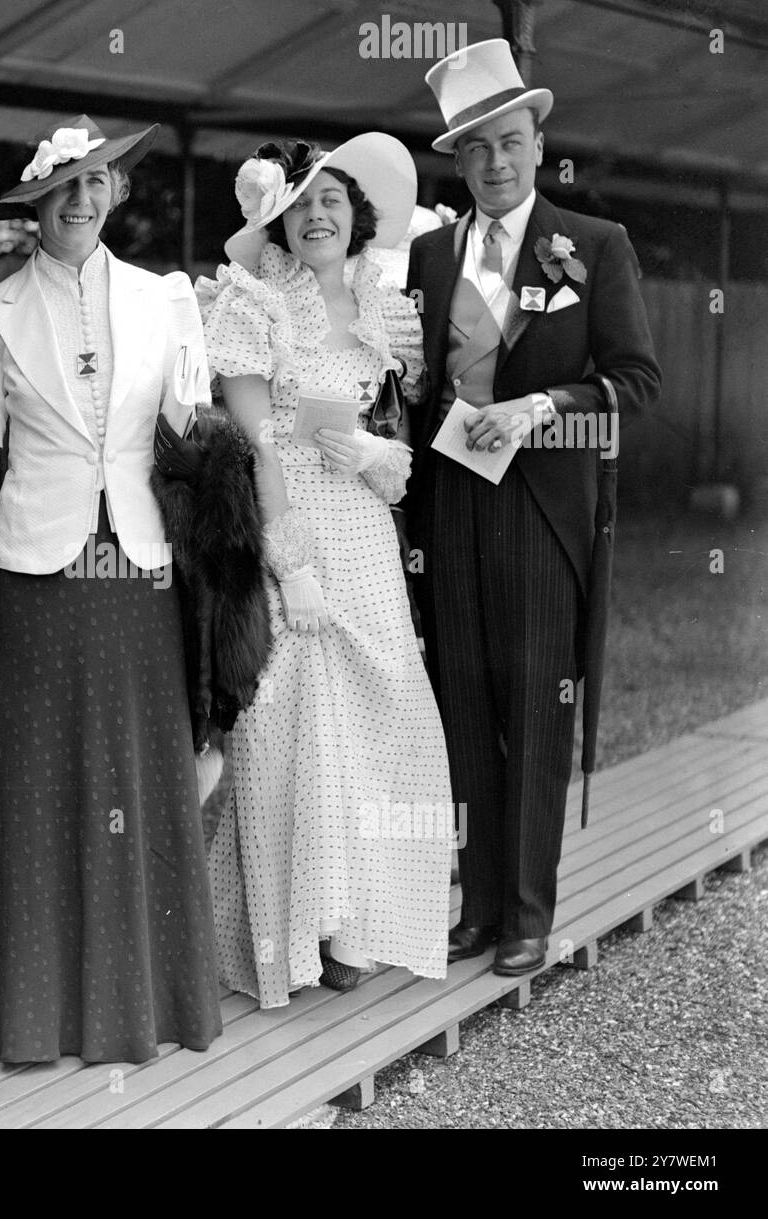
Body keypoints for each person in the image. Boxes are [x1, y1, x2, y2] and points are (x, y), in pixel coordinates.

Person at [0, 115, 223, 1064]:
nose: (81, 199)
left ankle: (153, 1005)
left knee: (146, 778)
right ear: (32, 206)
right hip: (40, 576)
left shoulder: (166, 301)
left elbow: (192, 444)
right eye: (63, 188)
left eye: (97, 182)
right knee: (43, 784)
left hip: (141, 569)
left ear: (116, 193)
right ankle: (38, 1018)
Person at [407, 40, 660, 976]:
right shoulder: (431, 256)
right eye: (476, 150)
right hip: (450, 507)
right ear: (458, 160)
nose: (496, 163)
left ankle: (526, 911)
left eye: (509, 141)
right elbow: (415, 380)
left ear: (536, 136)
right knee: (464, 706)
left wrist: (547, 404)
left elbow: (636, 381)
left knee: (536, 707)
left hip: (545, 513)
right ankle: (474, 902)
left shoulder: (594, 245)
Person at [196, 134, 454, 1009]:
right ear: (277, 218)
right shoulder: (253, 302)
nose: (316, 216)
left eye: (331, 201)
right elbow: (256, 436)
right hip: (291, 533)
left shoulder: (387, 308)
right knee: (285, 731)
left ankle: (353, 922)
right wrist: (285, 553)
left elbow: (394, 421)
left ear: (358, 218)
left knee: (386, 717)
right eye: (300, 203)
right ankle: (283, 935)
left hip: (367, 536)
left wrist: (383, 454)